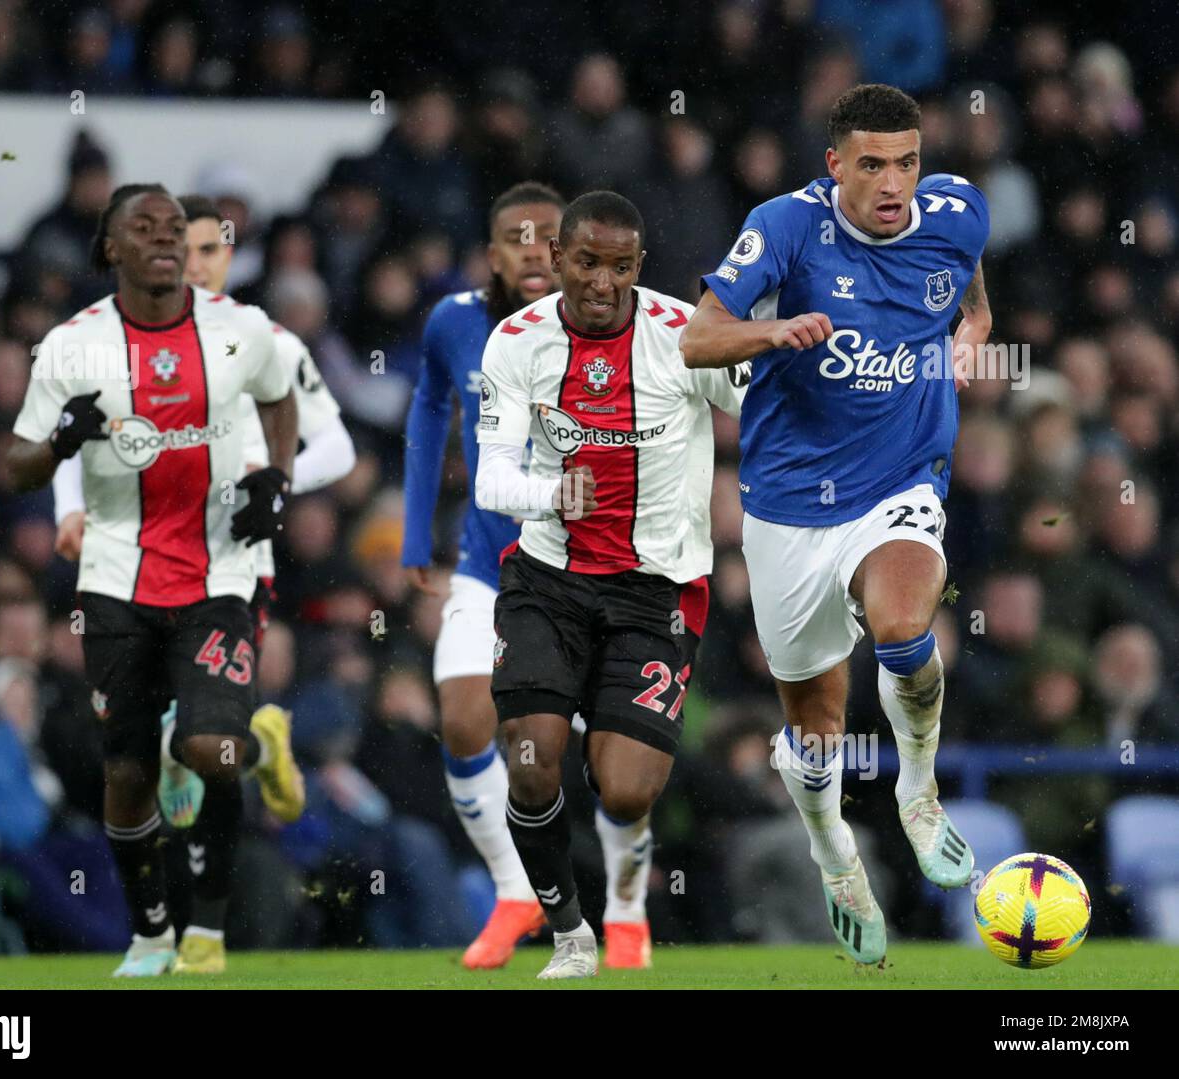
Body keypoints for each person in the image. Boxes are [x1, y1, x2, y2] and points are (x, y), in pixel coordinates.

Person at [681, 83, 992, 964]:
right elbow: (699, 340)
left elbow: (973, 290)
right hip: (787, 505)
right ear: (835, 166)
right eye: (872, 165)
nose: (893, 183)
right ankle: (834, 855)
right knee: (815, 730)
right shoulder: (786, 226)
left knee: (902, 624)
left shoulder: (959, 210)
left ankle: (920, 794)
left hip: (901, 478)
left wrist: (971, 333)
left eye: (907, 162)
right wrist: (770, 336)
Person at [5, 184, 301, 977]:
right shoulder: (72, 346)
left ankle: (207, 932)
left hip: (218, 573)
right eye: (145, 228)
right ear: (111, 249)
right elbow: (17, 459)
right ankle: (149, 932)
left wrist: (276, 477)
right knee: (130, 770)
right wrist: (61, 439)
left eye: (176, 228)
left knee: (207, 746)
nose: (167, 240)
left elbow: (281, 398)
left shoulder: (239, 330)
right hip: (113, 576)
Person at [473, 191, 747, 978]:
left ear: (639, 268)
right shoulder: (516, 342)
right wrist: (546, 495)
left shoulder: (684, 335)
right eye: (586, 262)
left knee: (625, 793)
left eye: (619, 266)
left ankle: (610, 732)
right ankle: (570, 934)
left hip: (654, 590)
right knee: (530, 761)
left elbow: (763, 405)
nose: (602, 281)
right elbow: (493, 475)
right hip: (547, 580)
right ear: (557, 257)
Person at [406, 181, 667, 970]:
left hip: (607, 574)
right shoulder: (457, 323)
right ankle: (515, 889)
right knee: (462, 721)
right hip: (495, 565)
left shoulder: (628, 332)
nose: (529, 246)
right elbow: (426, 407)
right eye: (513, 235)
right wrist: (418, 530)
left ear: (569, 252)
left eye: (544, 234)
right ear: (493, 253)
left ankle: (626, 909)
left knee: (613, 764)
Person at [51, 193, 356, 832]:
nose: (193, 264)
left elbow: (339, 446)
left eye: (209, 250)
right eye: (179, 250)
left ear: (230, 256)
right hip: (134, 552)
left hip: (233, 561)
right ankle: (232, 748)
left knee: (203, 735)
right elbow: (73, 435)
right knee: (149, 727)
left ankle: (208, 751)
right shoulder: (116, 340)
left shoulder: (268, 341)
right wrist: (69, 509)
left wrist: (277, 479)